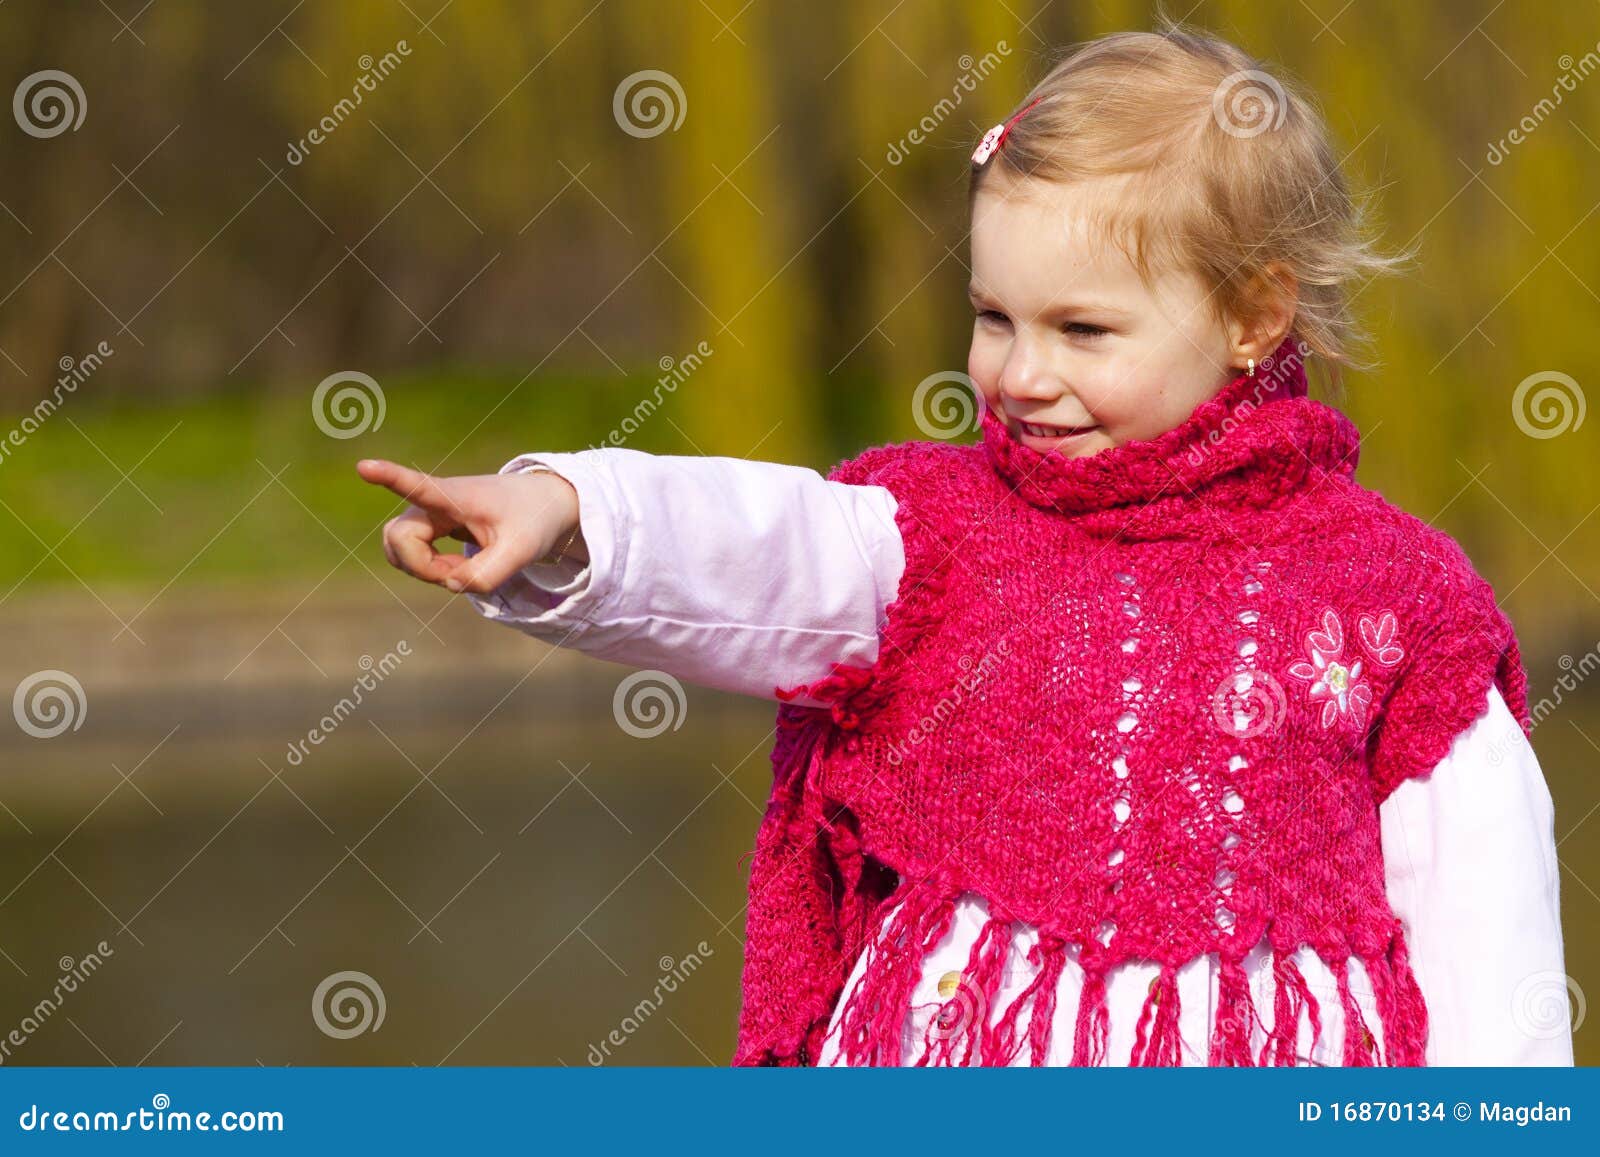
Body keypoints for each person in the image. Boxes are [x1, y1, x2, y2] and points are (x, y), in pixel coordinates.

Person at [355, 20, 1571, 1067]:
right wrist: (569, 508)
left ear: (1254, 314)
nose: (1020, 372)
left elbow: (1486, 926)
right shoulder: (941, 535)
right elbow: (766, 547)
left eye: (1082, 329)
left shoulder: (1394, 596)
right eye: (994, 316)